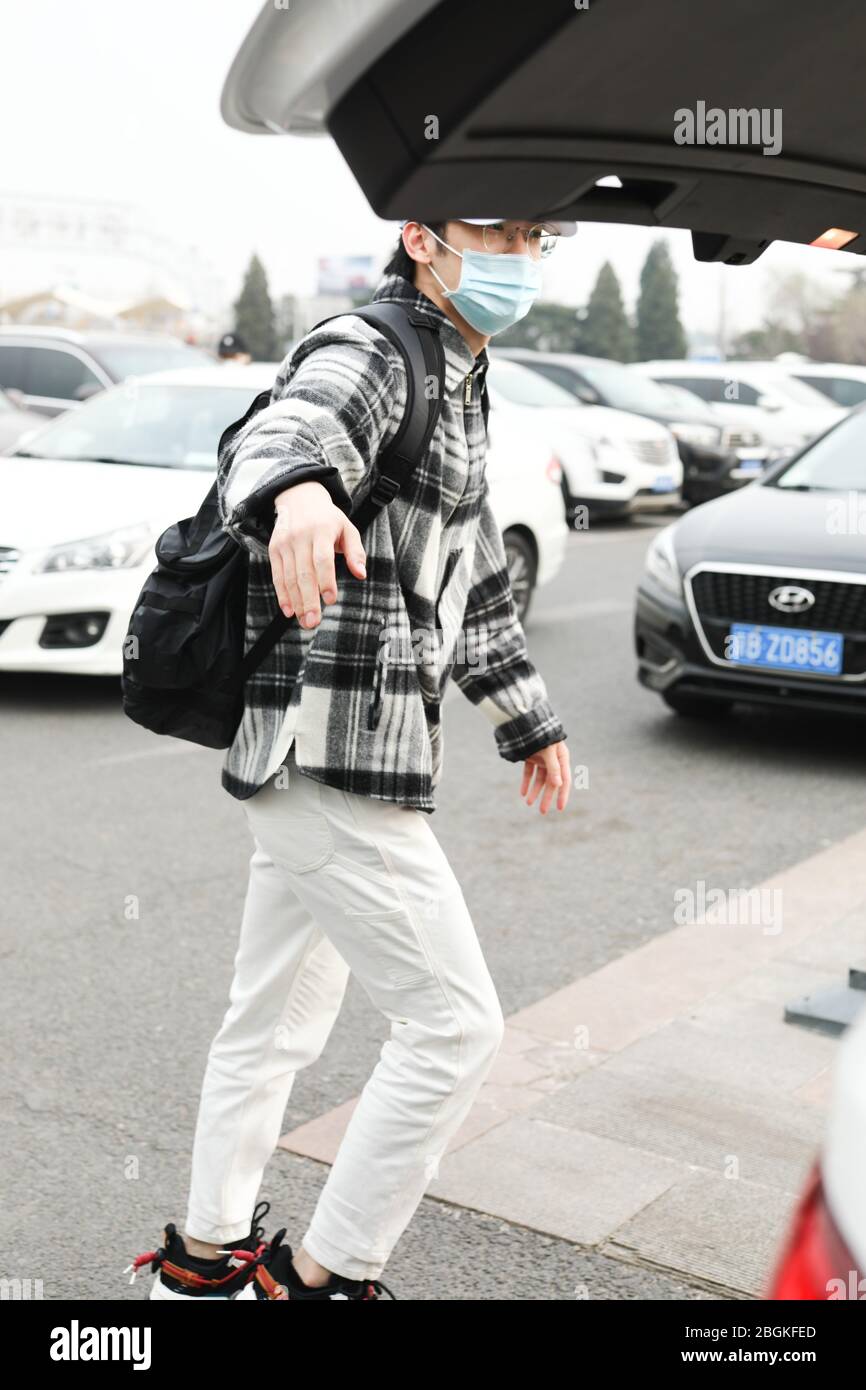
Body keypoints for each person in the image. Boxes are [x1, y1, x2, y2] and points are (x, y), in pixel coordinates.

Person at [134, 217, 575, 1301]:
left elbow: (466, 580)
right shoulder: (377, 347)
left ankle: (200, 1264)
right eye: (498, 232)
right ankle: (324, 1275)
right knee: (454, 1025)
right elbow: (283, 429)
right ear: (423, 239)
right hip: (331, 758)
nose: (520, 252)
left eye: (535, 235)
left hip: (328, 758)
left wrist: (529, 719)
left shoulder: (467, 375)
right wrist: (295, 493)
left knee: (271, 1026)